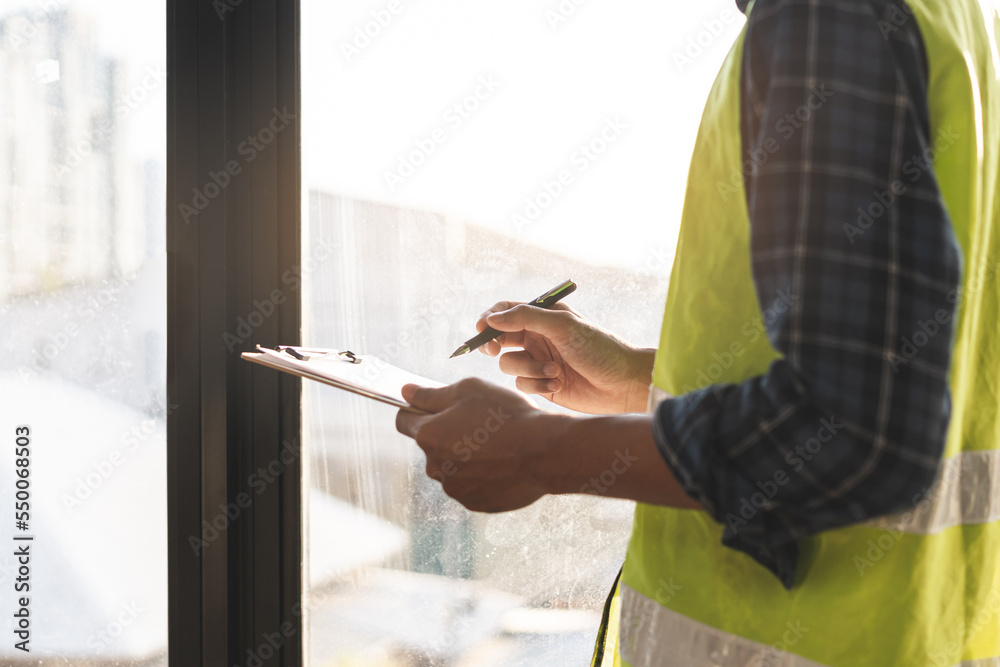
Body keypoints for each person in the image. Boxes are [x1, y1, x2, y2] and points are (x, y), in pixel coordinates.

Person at [395, 0, 1000, 664]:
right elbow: (894, 361)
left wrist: (538, 450)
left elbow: (855, 429)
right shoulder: (950, 21)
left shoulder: (825, 19)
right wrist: (637, 381)